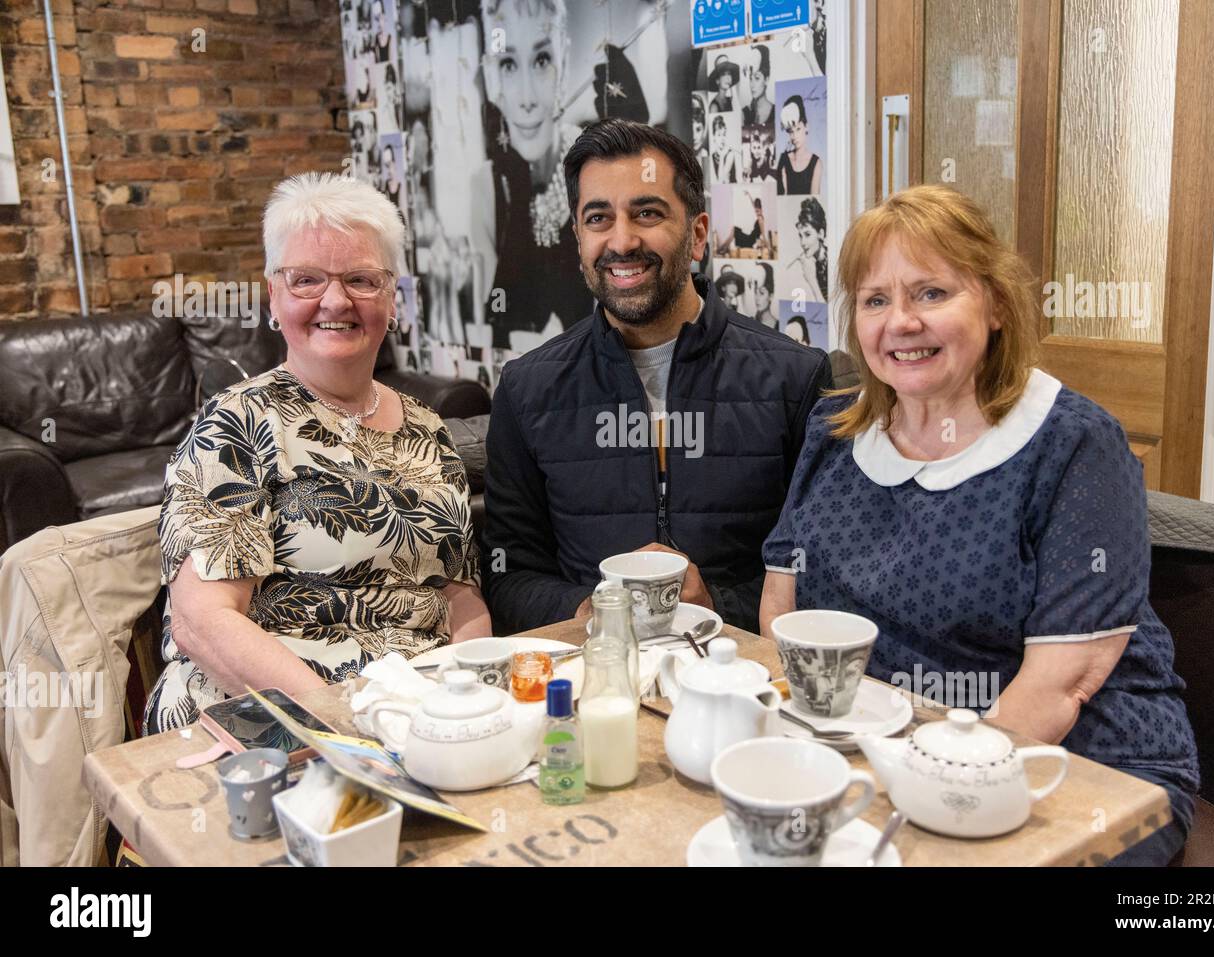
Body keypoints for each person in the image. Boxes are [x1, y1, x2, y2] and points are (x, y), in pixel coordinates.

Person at [759, 184, 1199, 865]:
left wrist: (918, 797)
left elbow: (1061, 684)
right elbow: (782, 606)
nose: (900, 321)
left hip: (1073, 764)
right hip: (881, 755)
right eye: (877, 300)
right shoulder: (834, 430)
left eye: (931, 293)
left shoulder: (1074, 444)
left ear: (995, 303)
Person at [143, 172, 490, 732]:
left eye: (361, 279)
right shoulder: (238, 424)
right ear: (274, 297)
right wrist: (346, 722)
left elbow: (460, 598)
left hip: (413, 714)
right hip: (265, 710)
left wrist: (472, 697)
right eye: (306, 280)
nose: (336, 300)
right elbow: (203, 622)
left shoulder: (429, 429)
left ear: (393, 297)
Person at [484, 119, 830, 635]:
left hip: (739, 678)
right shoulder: (526, 390)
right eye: (599, 218)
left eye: (647, 212)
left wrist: (712, 603)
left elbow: (825, 568)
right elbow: (507, 577)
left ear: (696, 235)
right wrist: (589, 610)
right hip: (594, 677)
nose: (622, 241)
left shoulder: (795, 379)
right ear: (578, 238)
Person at [469, 0, 592, 351]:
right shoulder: (486, 186)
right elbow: (491, 317)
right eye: (508, 64)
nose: (527, 98)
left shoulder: (596, 169)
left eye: (541, 61)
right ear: (491, 77)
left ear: (564, 63)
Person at [783, 197, 828, 303]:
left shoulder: (832, 261)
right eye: (800, 236)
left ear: (820, 234)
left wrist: (812, 280)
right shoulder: (811, 263)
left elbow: (829, 312)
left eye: (807, 234)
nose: (802, 243)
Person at [777, 95, 823, 196]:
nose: (794, 136)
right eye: (790, 131)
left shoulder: (816, 162)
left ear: (806, 127)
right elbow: (780, 198)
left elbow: (814, 201)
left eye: (798, 129)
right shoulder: (783, 159)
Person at [741, 45, 774, 127]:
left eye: (757, 78)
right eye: (750, 78)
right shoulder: (744, 113)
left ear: (766, 80)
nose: (752, 85)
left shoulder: (776, 111)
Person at [708, 114, 740, 185]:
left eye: (724, 134)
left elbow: (721, 180)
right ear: (714, 137)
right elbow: (714, 182)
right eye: (719, 135)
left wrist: (722, 156)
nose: (722, 139)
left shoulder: (730, 153)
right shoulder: (712, 156)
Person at [751, 263, 777, 329]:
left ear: (771, 296)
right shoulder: (749, 322)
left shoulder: (779, 326)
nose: (757, 298)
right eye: (755, 292)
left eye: (762, 293)